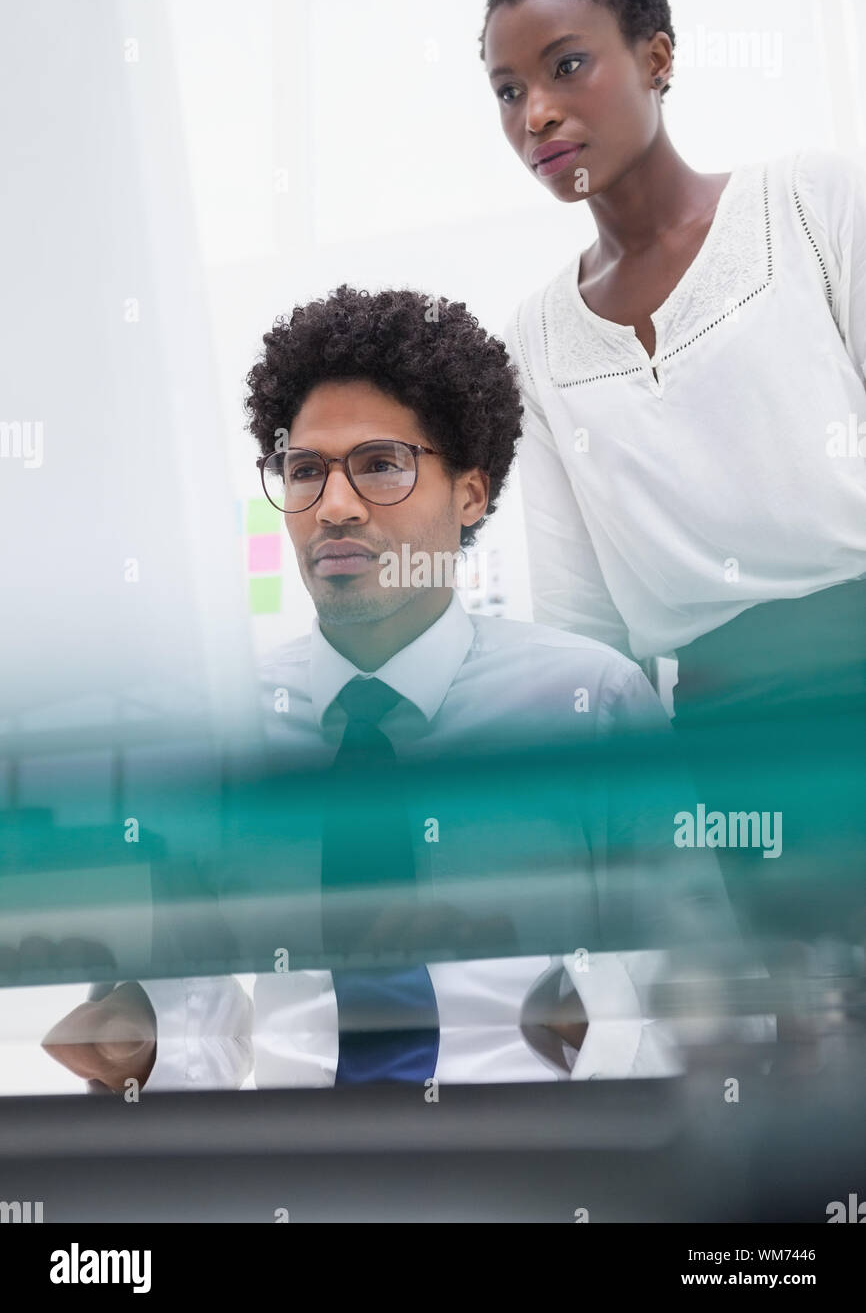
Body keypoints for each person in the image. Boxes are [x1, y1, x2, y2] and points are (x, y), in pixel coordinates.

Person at [42, 285, 745, 1093]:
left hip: (535, 1179)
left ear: (472, 492)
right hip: (300, 1188)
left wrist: (585, 1025)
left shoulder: (587, 706)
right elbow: (195, 1030)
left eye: (381, 465)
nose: (333, 506)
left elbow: (705, 1006)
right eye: (304, 471)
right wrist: (139, 1047)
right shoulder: (226, 734)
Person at [481, 0, 866, 726]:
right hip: (727, 740)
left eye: (567, 65)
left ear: (657, 59)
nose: (538, 114)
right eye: (509, 90)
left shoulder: (809, 204)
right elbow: (579, 619)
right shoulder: (537, 337)